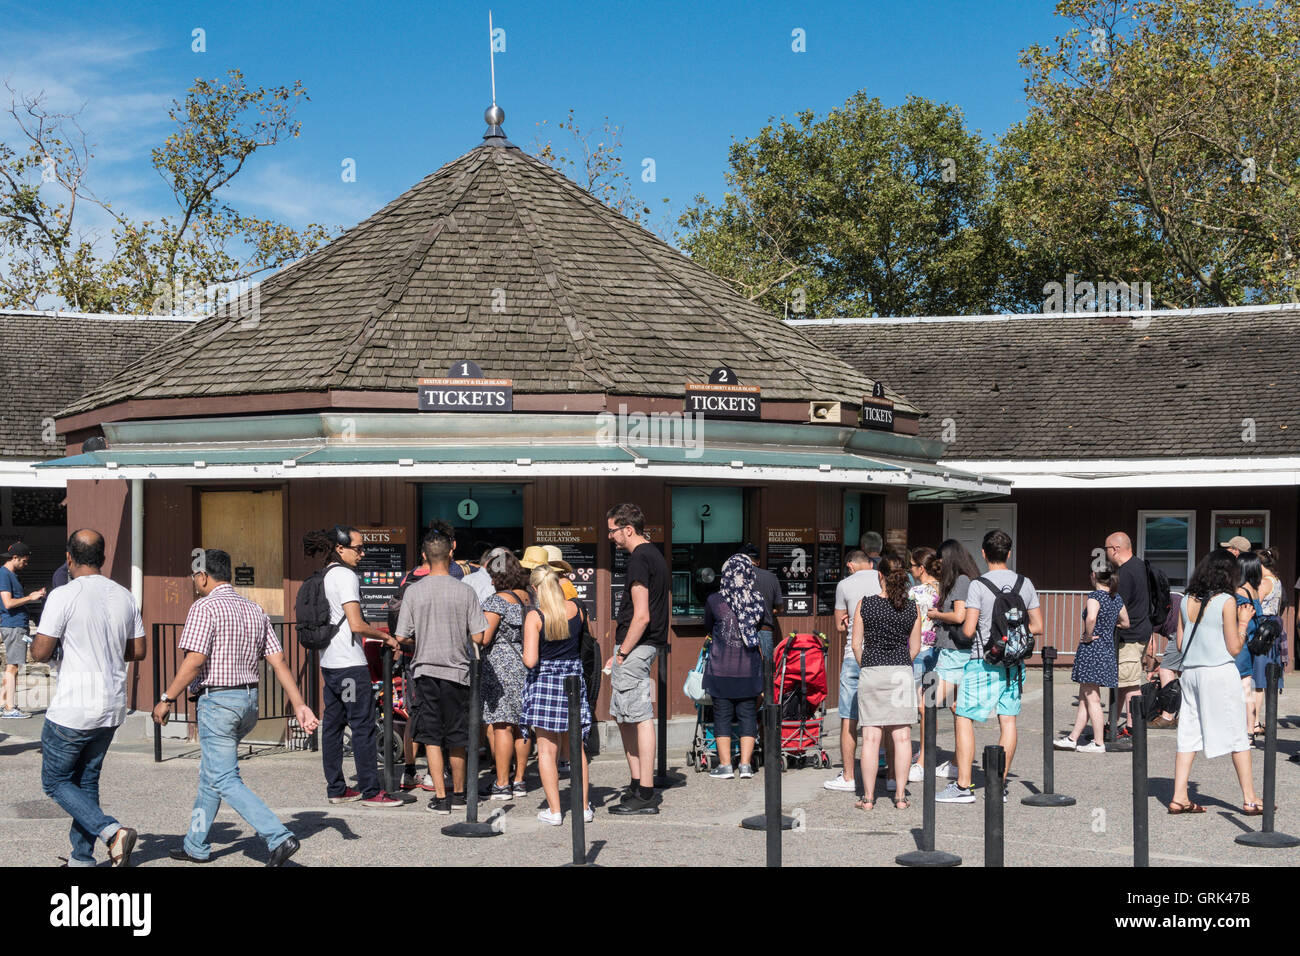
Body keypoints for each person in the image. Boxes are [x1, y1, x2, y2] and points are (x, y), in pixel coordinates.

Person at [154, 549, 321, 865]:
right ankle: (195, 844)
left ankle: (278, 836)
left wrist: (166, 698)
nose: (194, 582)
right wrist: (300, 704)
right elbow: (279, 661)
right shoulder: (254, 609)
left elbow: (194, 661)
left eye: (195, 577)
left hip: (218, 703)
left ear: (203, 576)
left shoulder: (204, 608)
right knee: (212, 776)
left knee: (225, 778)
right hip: (248, 703)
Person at [30, 530, 143, 867]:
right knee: (86, 780)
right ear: (103, 558)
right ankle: (82, 859)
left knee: (55, 781)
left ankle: (111, 832)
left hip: (73, 707)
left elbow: (40, 651)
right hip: (110, 705)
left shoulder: (65, 594)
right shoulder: (124, 595)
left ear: (69, 557)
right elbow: (138, 650)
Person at [938, 529, 1042, 804]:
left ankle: (963, 786)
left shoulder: (978, 585)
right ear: (1009, 553)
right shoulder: (1025, 583)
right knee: (1007, 721)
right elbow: (1039, 626)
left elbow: (969, 629)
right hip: (1014, 662)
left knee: (963, 717)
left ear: (984, 554)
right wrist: (1010, 633)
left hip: (983, 661)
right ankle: (999, 785)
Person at [303, 525, 401, 808]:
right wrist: (387, 637)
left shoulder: (326, 575)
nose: (363, 552)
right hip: (349, 664)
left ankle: (336, 788)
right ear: (340, 548)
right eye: (358, 548)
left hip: (329, 662)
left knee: (333, 726)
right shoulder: (345, 576)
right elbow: (356, 624)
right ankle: (371, 790)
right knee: (362, 725)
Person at [394, 529, 487, 814]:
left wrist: (420, 638)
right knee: (458, 737)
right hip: (458, 673)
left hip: (425, 672)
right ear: (451, 554)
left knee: (431, 737)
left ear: (423, 556)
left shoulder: (414, 591)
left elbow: (401, 636)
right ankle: (460, 795)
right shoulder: (466, 591)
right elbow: (480, 636)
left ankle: (441, 797)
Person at [1168, 549, 1262, 815]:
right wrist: (1243, 623)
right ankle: (1250, 798)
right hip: (1219, 672)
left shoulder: (1186, 599)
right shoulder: (1226, 600)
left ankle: (1178, 796)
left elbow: (1179, 642)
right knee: (1237, 734)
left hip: (1191, 672)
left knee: (1188, 733)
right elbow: (1234, 648)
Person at [606, 502, 670, 815]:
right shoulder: (653, 555)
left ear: (628, 529)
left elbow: (641, 616)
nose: (610, 536)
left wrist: (621, 652)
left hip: (637, 646)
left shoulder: (640, 559)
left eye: (612, 530)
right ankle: (636, 784)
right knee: (624, 715)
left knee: (640, 716)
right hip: (643, 646)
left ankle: (645, 792)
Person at [522, 565, 593, 824]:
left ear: (536, 588)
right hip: (573, 681)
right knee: (576, 750)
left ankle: (554, 811)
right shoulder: (578, 610)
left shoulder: (535, 616)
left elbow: (530, 661)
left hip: (545, 683)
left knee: (546, 751)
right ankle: (584, 808)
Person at [851, 553, 922, 809]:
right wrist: (901, 662)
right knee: (902, 737)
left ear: (879, 574)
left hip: (872, 671)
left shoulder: (865, 604)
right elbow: (916, 647)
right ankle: (901, 797)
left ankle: (868, 798)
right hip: (901, 672)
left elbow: (856, 645)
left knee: (871, 737)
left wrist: (868, 664)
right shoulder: (911, 606)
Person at [475, 549, 532, 800]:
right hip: (526, 662)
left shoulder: (496, 601)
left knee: (501, 725)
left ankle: (501, 783)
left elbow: (484, 638)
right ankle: (519, 780)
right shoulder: (529, 598)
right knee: (522, 725)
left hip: (500, 666)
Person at [702, 554, 765, 779]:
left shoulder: (715, 601)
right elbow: (758, 625)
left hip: (721, 668)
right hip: (748, 667)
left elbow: (708, 626)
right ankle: (746, 766)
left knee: (722, 715)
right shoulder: (757, 599)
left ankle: (726, 765)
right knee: (748, 713)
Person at [1055, 562, 1127, 753]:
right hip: (1106, 649)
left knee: (1091, 698)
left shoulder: (1095, 596)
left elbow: (1091, 617)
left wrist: (1088, 634)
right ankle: (1073, 738)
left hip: (1092, 649)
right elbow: (1126, 622)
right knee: (1085, 697)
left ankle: (1098, 742)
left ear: (1094, 575)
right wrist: (1111, 626)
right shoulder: (1115, 598)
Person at [825, 549, 881, 792]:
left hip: (853, 656)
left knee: (849, 717)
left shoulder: (844, 585)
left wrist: (848, 619)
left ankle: (848, 776)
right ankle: (888, 774)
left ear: (850, 565)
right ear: (870, 563)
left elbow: (839, 625)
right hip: (884, 656)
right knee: (885, 718)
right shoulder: (884, 579)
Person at [1105, 532, 1152, 738]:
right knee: (1123, 681)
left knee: (1131, 684)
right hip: (1140, 632)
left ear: (1115, 549)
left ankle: (1133, 729)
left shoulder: (1125, 573)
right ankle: (1112, 724)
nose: (1105, 553)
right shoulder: (1141, 566)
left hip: (1129, 636)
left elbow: (1117, 606)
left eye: (1106, 549)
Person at [1, 542, 45, 719]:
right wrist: (31, 597)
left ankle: (4, 704)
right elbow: (8, 603)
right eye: (24, 561)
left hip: (16, 625)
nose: (26, 564)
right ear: (15, 558)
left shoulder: (10, 575)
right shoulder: (5, 575)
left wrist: (32, 596)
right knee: (13, 667)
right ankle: (10, 708)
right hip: (13, 626)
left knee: (12, 667)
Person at [906, 546, 939, 780]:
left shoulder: (915, 593)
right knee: (930, 706)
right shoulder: (943, 589)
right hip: (939, 652)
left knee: (916, 705)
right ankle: (928, 754)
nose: (910, 568)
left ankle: (919, 760)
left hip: (918, 652)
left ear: (921, 568)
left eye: (912, 564)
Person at [1234, 551, 1265, 739]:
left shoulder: (1239, 591)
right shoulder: (1254, 590)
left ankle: (1244, 730)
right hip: (1252, 643)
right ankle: (1250, 728)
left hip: (1241, 643)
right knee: (1248, 687)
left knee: (1241, 687)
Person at [741, 543, 783, 664]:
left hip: (744, 629)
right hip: (766, 628)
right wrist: (769, 610)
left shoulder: (739, 577)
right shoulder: (772, 577)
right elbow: (780, 608)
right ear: (758, 562)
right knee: (767, 668)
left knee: (745, 667)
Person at [1149, 592, 1184, 728]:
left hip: (1178, 632)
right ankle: (1187, 715)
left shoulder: (1146, 608)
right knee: (1184, 674)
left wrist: (1150, 668)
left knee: (1165, 671)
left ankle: (1167, 716)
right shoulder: (1171, 596)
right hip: (1191, 630)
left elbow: (1150, 646)